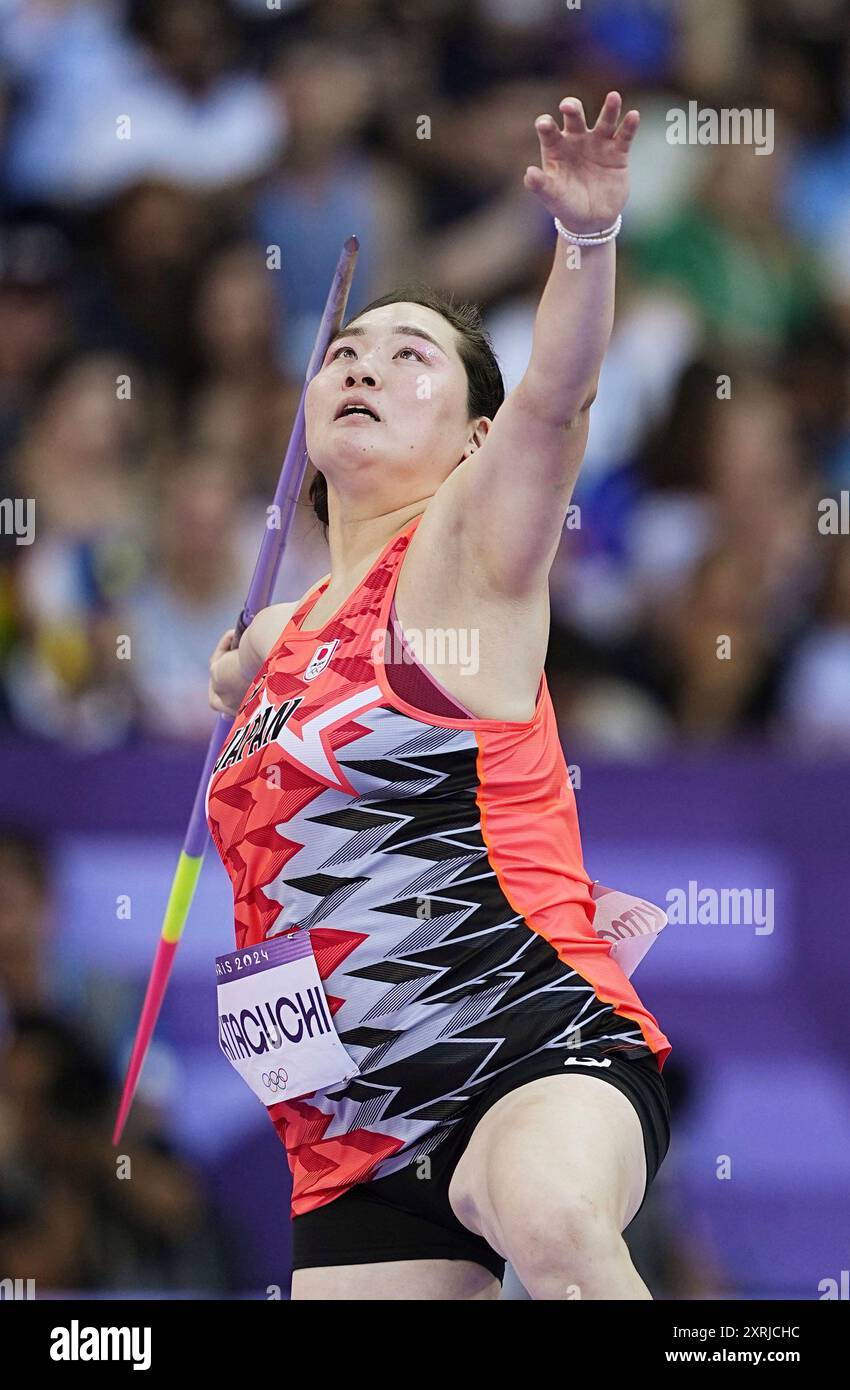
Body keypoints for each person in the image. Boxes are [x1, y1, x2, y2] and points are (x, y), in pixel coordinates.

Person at [207, 92, 672, 1301]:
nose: (363, 364)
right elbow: (261, 657)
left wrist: (584, 239)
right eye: (345, 354)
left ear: (473, 443)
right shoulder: (282, 632)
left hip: (525, 1050)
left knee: (549, 1219)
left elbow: (554, 404)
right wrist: (237, 668)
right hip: (348, 1129)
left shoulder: (467, 557)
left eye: (410, 357)